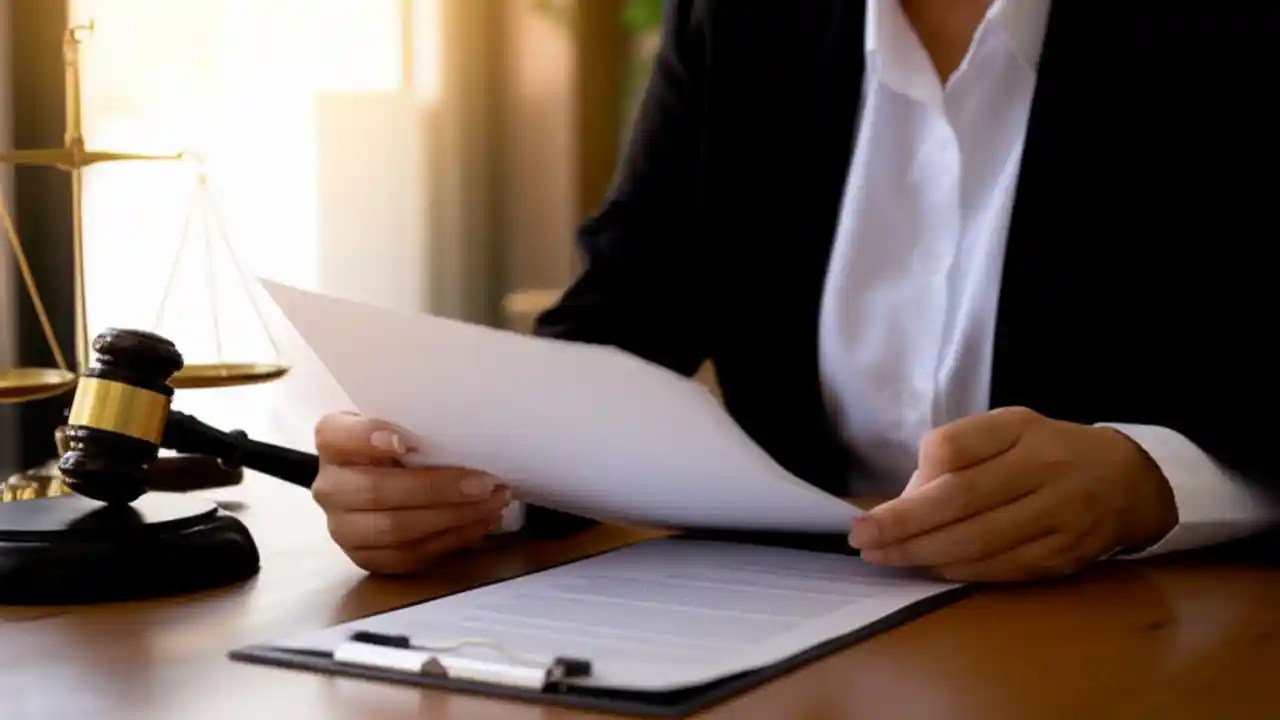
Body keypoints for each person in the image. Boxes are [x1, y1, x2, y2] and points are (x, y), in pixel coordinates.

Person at [310, 0, 1279, 581]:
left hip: (1152, 634)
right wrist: (458, 482)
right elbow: (619, 325)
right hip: (796, 627)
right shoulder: (740, 16)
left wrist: (1151, 482)